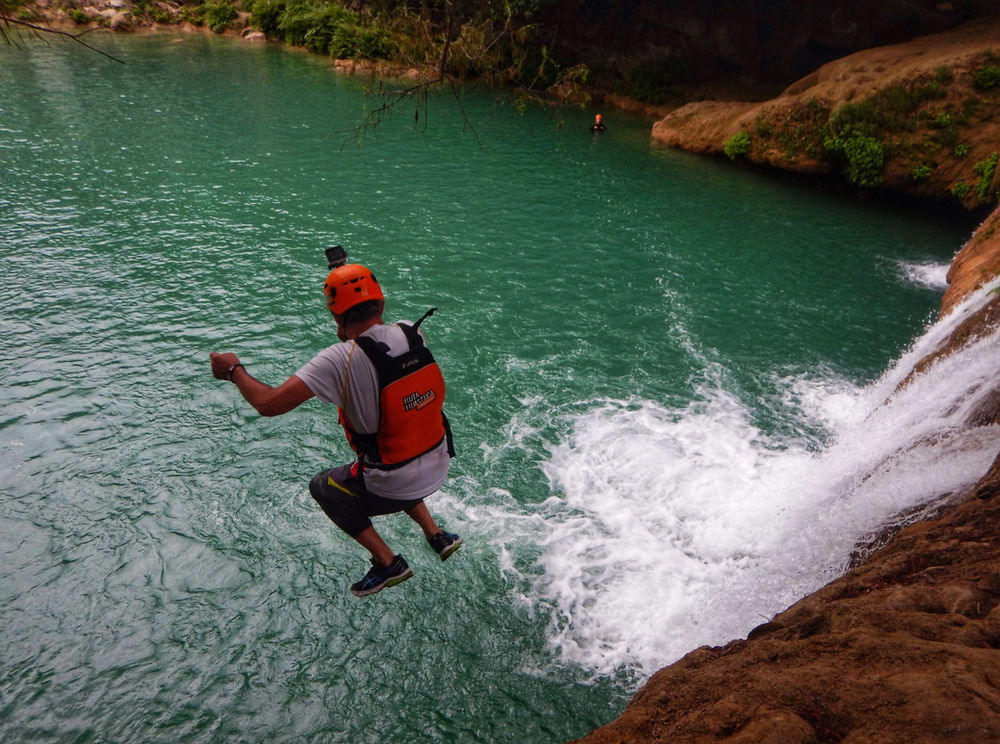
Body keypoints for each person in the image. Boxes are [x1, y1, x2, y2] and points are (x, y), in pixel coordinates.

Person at [209, 259, 460, 597]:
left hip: (394, 480)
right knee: (390, 451)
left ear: (335, 316)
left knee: (326, 487)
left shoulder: (337, 359)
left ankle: (388, 563)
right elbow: (378, 345)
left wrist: (234, 370)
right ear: (381, 303)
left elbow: (268, 404)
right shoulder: (412, 333)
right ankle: (436, 535)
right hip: (438, 458)